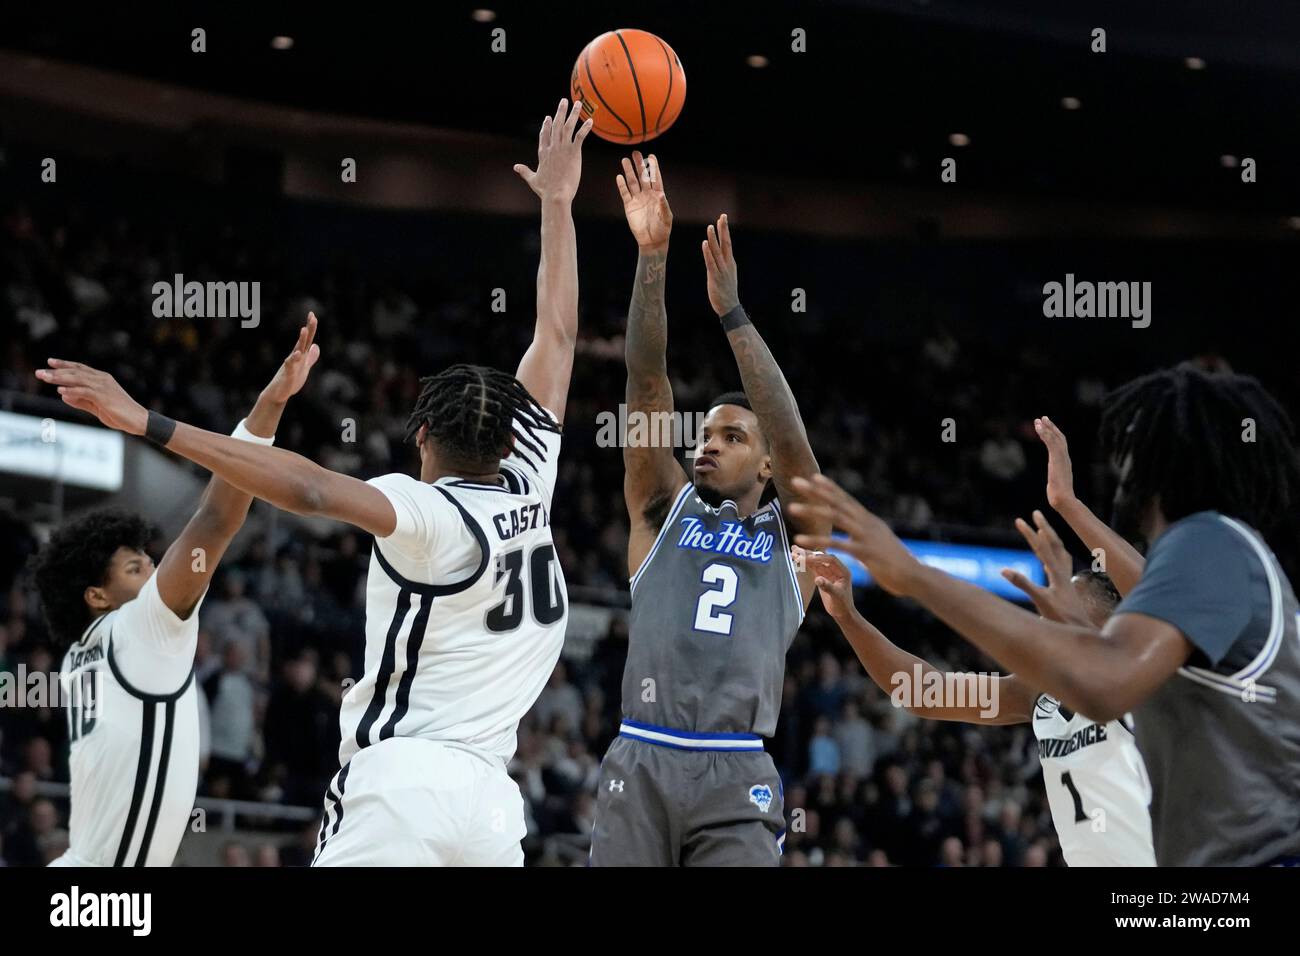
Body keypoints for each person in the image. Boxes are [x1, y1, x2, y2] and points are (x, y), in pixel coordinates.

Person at [37, 100, 592, 866]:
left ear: (423, 435)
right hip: (494, 805)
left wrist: (149, 422)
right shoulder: (532, 477)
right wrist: (560, 207)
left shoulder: (426, 510)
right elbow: (557, 334)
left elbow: (312, 492)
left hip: (402, 782)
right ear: (512, 437)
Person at [789, 365, 1300, 866]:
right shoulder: (1060, 688)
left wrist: (915, 576)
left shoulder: (1206, 551)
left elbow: (1115, 652)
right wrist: (850, 618)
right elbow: (917, 689)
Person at [589, 153, 831, 866]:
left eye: (731, 437)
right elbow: (646, 380)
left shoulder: (797, 539)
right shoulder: (663, 510)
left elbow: (793, 443)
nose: (706, 447)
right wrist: (653, 258)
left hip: (737, 769)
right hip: (644, 753)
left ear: (764, 465)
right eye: (703, 436)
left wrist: (733, 315)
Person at [32, 317, 320, 865]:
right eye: (136, 568)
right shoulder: (141, 627)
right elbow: (215, 519)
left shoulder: (80, 654)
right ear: (96, 595)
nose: (156, 571)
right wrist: (269, 408)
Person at [803, 504, 1155, 866]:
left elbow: (1158, 596)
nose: (1048, 617)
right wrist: (848, 617)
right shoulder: (1038, 690)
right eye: (1045, 609)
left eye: (1066, 604)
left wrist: (1067, 502)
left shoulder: (1151, 674)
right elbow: (923, 692)